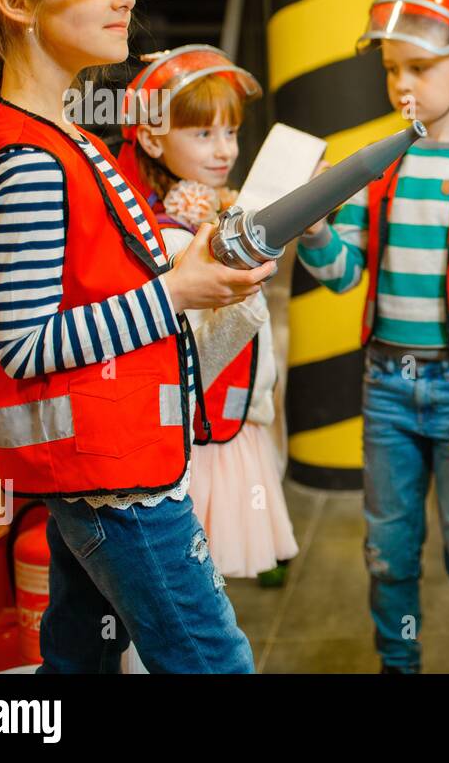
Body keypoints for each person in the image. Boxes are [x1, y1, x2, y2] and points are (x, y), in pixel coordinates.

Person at [0, 0, 276, 672]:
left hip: (109, 462)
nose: (123, 1)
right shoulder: (30, 158)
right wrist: (178, 292)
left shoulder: (58, 137)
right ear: (14, 2)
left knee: (78, 656)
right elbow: (29, 342)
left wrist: (195, 264)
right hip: (115, 474)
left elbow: (101, 280)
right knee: (214, 660)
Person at [297, 0, 449, 673]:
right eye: (392, 69)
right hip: (387, 390)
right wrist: (313, 230)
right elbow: (344, 272)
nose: (403, 85)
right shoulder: (380, 162)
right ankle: (398, 664)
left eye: (420, 68)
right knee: (387, 550)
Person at [116, 45, 299, 586]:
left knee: (207, 590)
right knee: (184, 591)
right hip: (189, 437)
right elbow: (197, 354)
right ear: (150, 138)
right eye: (202, 134)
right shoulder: (159, 233)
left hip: (233, 424)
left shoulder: (226, 206)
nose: (223, 150)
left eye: (231, 132)